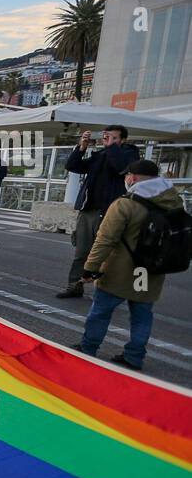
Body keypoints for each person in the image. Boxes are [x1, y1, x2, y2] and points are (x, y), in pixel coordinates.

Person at [76, 159, 185, 371]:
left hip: (119, 270)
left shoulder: (125, 204)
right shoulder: (174, 202)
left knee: (100, 311)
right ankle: (134, 356)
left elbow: (105, 239)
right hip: (149, 271)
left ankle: (88, 349)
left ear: (132, 178)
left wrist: (90, 267)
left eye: (127, 176)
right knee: (142, 315)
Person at [58, 125, 140, 298]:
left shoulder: (129, 153)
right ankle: (75, 285)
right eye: (106, 137)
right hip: (89, 210)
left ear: (123, 140)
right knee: (81, 251)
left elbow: (121, 167)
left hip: (111, 211)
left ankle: (105, 291)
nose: (107, 140)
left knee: (108, 254)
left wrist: (111, 147)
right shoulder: (101, 155)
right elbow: (73, 166)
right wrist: (82, 147)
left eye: (113, 138)